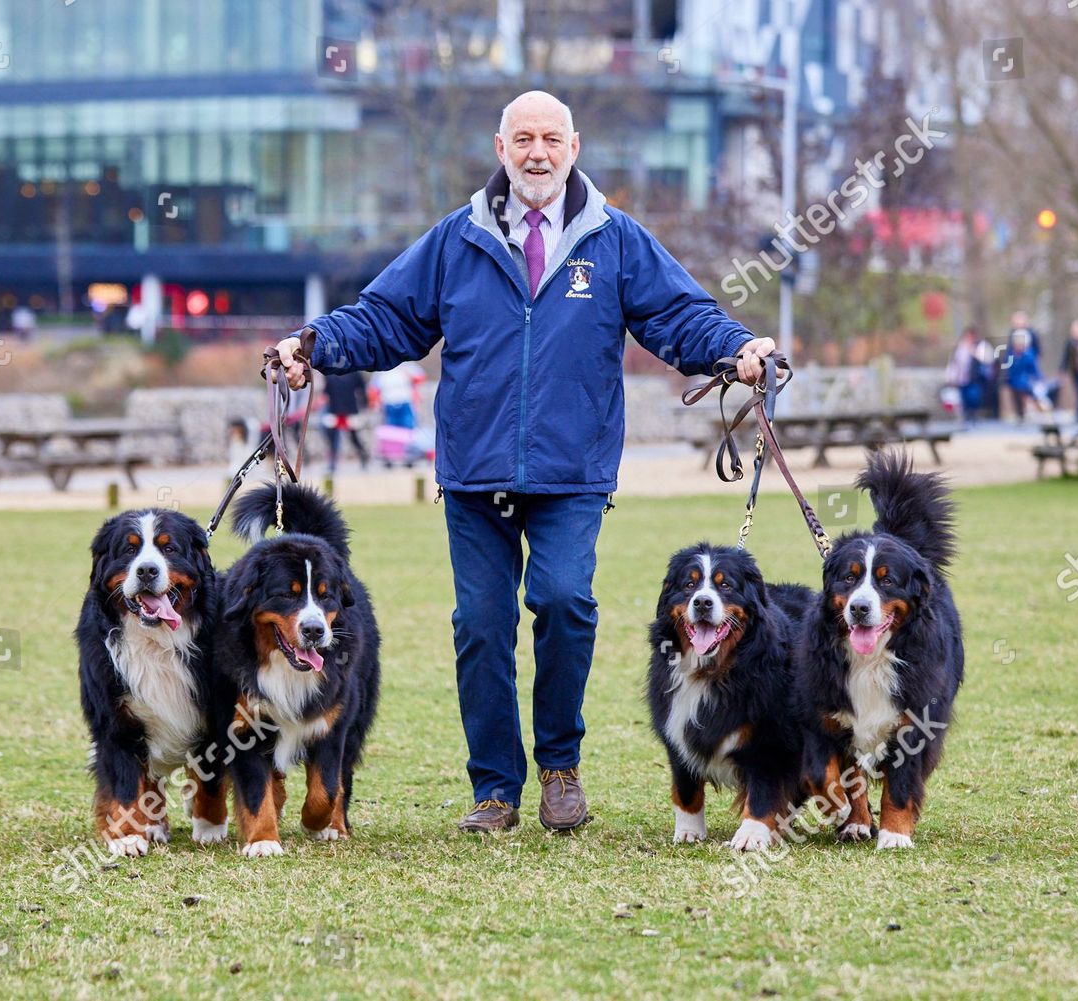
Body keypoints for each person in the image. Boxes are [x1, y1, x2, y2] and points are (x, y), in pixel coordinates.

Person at [268, 90, 775, 834]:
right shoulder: (456, 239)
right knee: (480, 623)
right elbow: (388, 316)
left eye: (551, 138)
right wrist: (315, 345)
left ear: (574, 147)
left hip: (573, 468)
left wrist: (738, 347)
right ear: (500, 149)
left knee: (565, 601)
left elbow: (677, 314)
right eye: (523, 139)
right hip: (475, 471)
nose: (538, 152)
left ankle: (561, 768)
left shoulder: (616, 240)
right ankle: (496, 788)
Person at [321, 370, 370, 473]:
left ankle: (363, 457)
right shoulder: (330, 372)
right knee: (332, 438)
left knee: (354, 437)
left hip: (349, 409)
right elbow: (326, 391)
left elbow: (361, 389)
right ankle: (332, 463)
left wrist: (364, 406)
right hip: (335, 409)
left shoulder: (353, 371)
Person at [945, 326, 986, 423]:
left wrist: (972, 350)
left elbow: (984, 359)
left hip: (974, 378)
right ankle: (966, 417)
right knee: (964, 399)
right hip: (961, 378)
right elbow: (953, 362)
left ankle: (974, 415)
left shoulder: (979, 345)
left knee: (974, 397)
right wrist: (951, 376)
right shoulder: (959, 347)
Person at [1002, 328, 1041, 421]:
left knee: (1025, 396)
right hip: (1014, 381)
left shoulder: (1029, 354)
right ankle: (1020, 415)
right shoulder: (1010, 355)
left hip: (1025, 382)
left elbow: (1034, 369)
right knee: (1016, 400)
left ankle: (1027, 412)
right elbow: (1007, 368)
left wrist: (1039, 379)